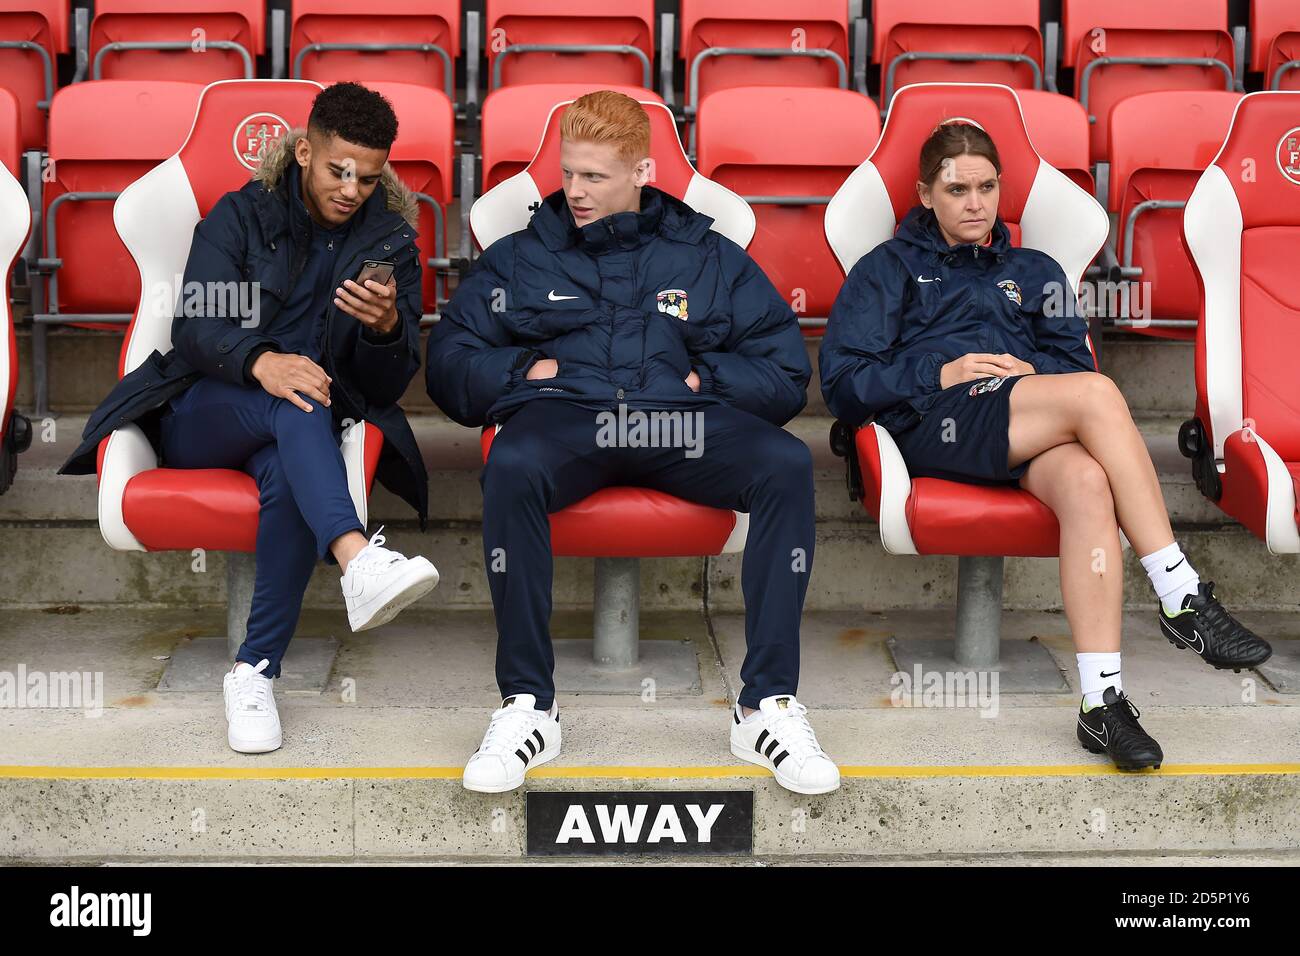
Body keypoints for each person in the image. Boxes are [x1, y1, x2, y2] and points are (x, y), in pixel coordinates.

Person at [819, 119, 1272, 772]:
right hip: (935, 424)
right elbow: (844, 382)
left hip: (1023, 424)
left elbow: (1068, 358)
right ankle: (1181, 594)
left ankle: (1101, 704)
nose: (975, 203)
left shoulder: (1035, 270)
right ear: (924, 194)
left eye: (987, 187)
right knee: (1096, 396)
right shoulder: (886, 269)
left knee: (1089, 480)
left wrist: (1035, 378)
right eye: (957, 190)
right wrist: (938, 372)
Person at [426, 90, 839, 795]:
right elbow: (450, 364)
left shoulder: (705, 256)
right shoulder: (523, 258)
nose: (576, 192)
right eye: (570, 173)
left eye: (595, 176)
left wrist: (705, 375)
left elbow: (784, 369)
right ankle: (529, 704)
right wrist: (525, 369)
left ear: (642, 170)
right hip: (567, 420)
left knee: (785, 462)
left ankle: (764, 706)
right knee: (513, 463)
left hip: (676, 419)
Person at [61, 82, 438, 754]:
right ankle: (355, 556)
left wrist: (385, 332)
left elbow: (385, 383)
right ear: (302, 152)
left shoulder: (390, 242)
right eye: (337, 170)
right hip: (204, 411)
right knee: (295, 394)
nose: (352, 189)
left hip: (301, 428)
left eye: (368, 177)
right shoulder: (240, 218)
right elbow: (196, 327)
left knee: (295, 456)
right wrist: (262, 359)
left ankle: (254, 672)